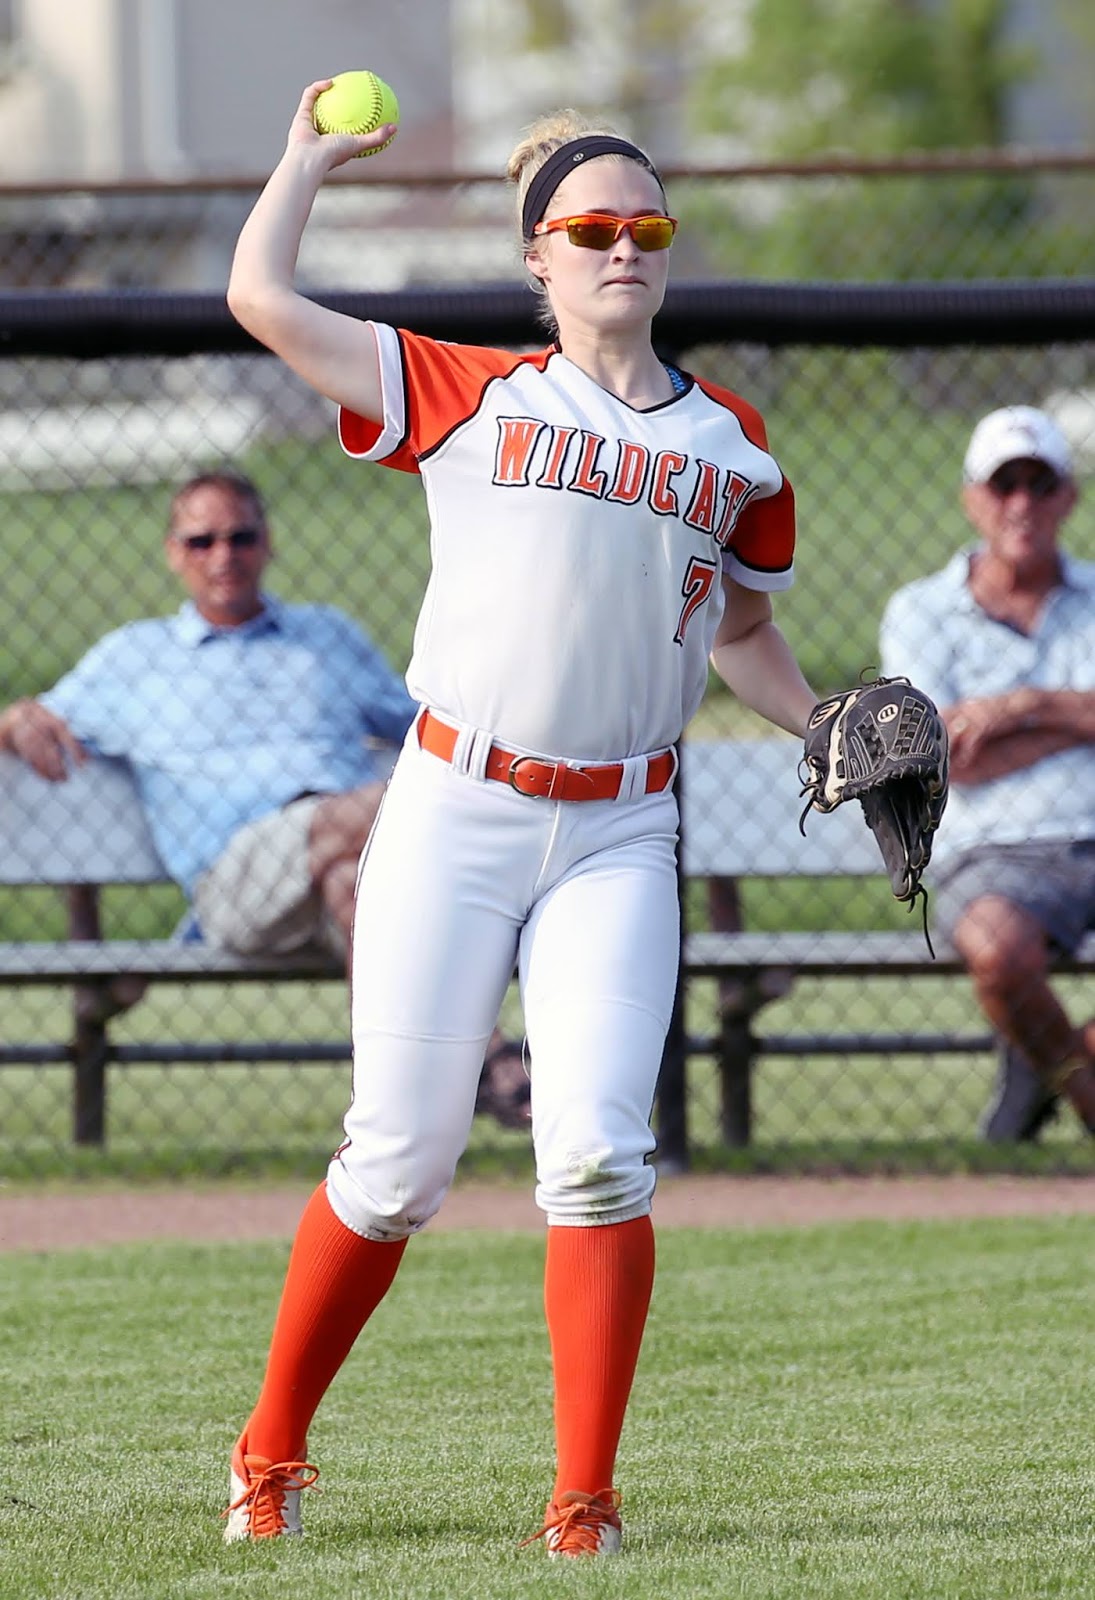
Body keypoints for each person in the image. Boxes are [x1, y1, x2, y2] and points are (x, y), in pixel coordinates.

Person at [220, 84, 818, 1558]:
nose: (624, 249)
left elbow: (734, 621)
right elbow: (257, 298)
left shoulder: (731, 444)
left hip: (622, 831)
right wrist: (306, 160)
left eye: (645, 227)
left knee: (599, 1154)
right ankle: (269, 1451)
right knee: (399, 1164)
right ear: (537, 263)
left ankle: (583, 1502)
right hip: (454, 808)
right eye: (591, 230)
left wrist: (816, 723)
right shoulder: (467, 391)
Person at [0, 469, 529, 1126]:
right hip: (237, 885)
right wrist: (19, 717)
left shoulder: (327, 637)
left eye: (240, 536)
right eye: (201, 542)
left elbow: (427, 730)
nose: (224, 556)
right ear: (173, 553)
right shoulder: (132, 659)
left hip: (350, 860)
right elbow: (31, 717)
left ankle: (406, 1110)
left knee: (354, 883)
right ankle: (495, 1056)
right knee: (390, 817)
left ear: (267, 543)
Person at [880, 406, 1095, 1142]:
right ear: (972, 498)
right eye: (1004, 486)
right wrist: (1075, 721)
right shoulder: (922, 610)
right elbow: (941, 755)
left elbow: (976, 734)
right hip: (993, 852)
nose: (1021, 506)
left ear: (1068, 496)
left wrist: (1018, 707)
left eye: (1040, 485)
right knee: (997, 949)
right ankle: (1086, 1096)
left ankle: (1049, 1062)